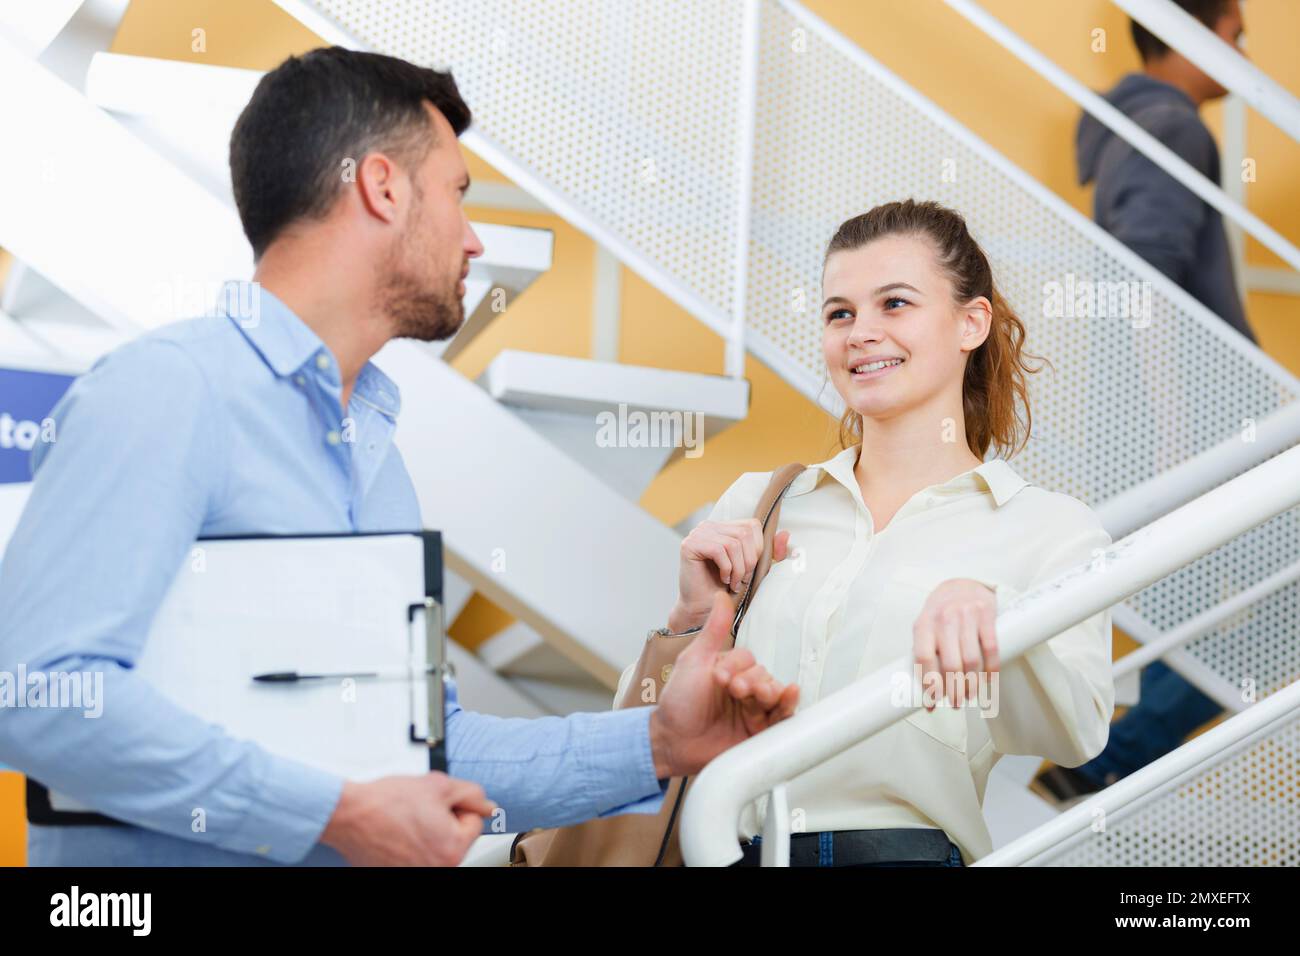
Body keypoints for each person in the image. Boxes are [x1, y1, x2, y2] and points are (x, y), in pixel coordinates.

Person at [0, 48, 798, 867]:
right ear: (381, 186)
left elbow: (422, 750)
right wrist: (335, 813)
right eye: (457, 193)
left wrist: (662, 740)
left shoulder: (374, 458)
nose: (476, 236)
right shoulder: (170, 391)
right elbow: (39, 697)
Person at [646, 200, 1115, 866]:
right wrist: (691, 618)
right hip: (725, 849)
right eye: (840, 312)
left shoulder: (1049, 529)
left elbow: (1078, 732)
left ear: (970, 323)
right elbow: (653, 736)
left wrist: (997, 616)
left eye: (894, 304)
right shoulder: (760, 502)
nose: (860, 332)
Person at [1038, 0, 1246, 804]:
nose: (1245, 53)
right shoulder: (1175, 128)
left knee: (1187, 611)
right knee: (1264, 607)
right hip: (1204, 423)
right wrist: (1172, 425)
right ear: (1194, 33)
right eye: (1236, 34)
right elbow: (1147, 278)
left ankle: (1102, 761)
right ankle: (1113, 755)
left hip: (1182, 419)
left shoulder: (1134, 125)